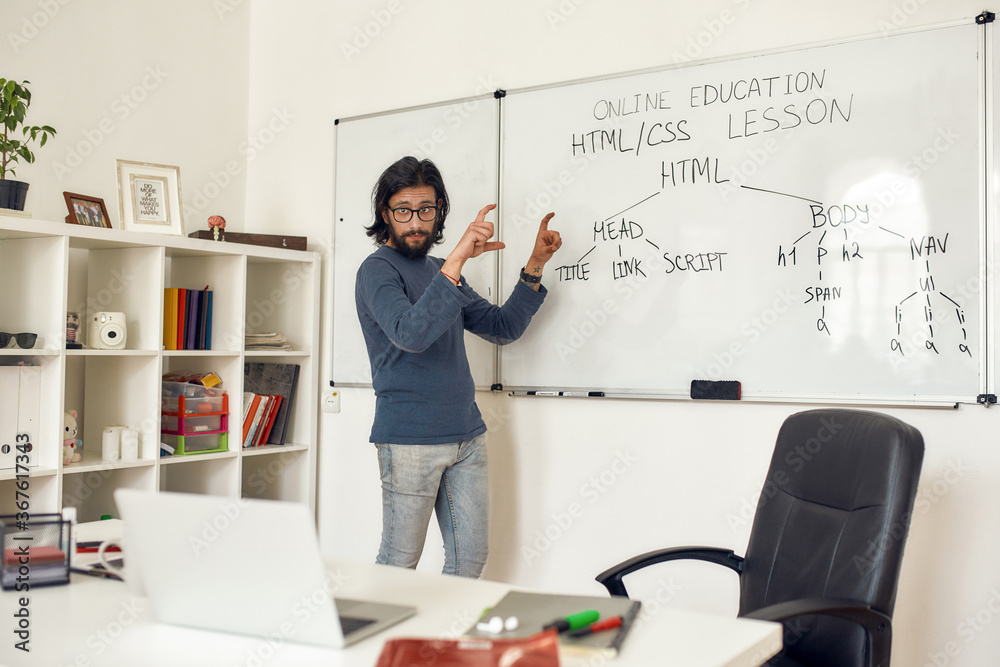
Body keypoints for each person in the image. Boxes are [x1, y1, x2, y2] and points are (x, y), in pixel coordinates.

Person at [355, 156, 562, 578]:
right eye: (404, 211)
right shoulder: (377, 271)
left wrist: (535, 263)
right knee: (398, 564)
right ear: (385, 214)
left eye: (426, 210)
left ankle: (440, 642)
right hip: (409, 442)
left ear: (440, 211)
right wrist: (456, 263)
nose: (416, 222)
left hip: (467, 437)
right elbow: (410, 334)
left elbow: (502, 328)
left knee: (469, 560)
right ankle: (376, 641)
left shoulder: (439, 271)